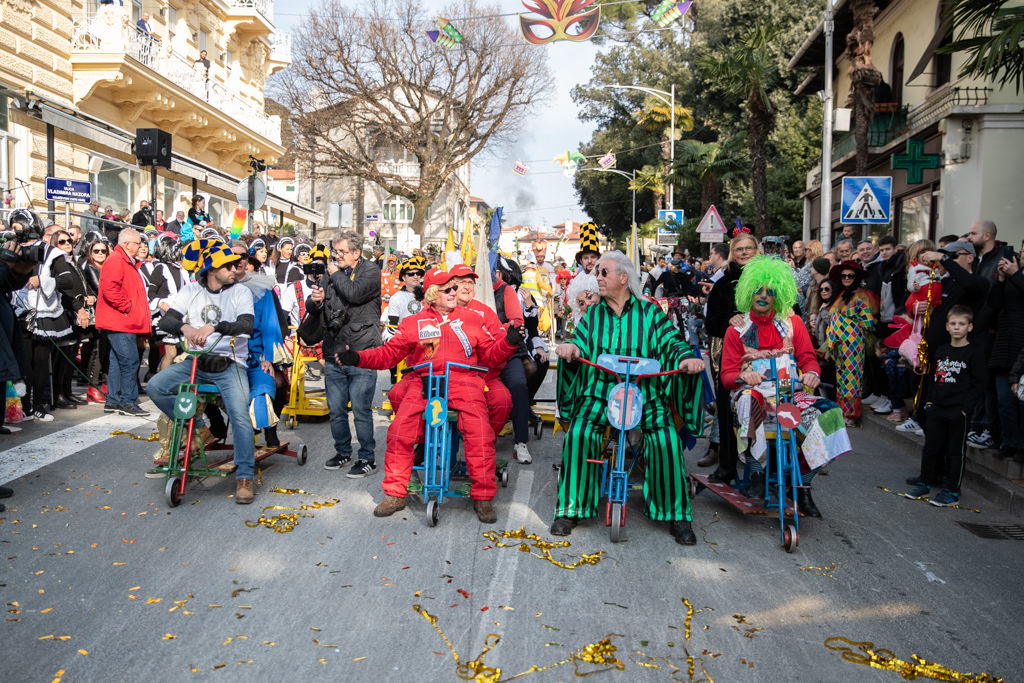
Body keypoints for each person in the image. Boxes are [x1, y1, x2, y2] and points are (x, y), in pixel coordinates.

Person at [339, 267, 522, 522]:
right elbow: (387, 355)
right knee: (399, 431)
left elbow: (492, 354)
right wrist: (356, 357)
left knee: (480, 435)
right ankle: (395, 493)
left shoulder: (472, 318)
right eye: (448, 289)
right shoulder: (413, 323)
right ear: (433, 295)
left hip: (464, 381)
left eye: (455, 288)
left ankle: (482, 497)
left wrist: (509, 342)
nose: (454, 293)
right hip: (425, 382)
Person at [552, 251, 705, 545]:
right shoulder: (593, 314)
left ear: (623, 278)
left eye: (603, 272)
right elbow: (579, 341)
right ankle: (571, 508)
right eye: (597, 272)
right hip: (600, 393)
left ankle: (676, 514)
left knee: (666, 440)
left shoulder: (650, 312)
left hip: (644, 395)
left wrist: (688, 359)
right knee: (580, 434)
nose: (597, 277)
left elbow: (673, 343)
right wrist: (570, 348)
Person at [720, 255, 850, 517]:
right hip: (753, 398)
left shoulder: (794, 324)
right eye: (758, 289)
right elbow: (726, 376)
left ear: (779, 295)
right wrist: (743, 377)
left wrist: (812, 374)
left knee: (830, 413)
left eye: (771, 291)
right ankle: (756, 472)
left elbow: (809, 359)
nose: (764, 296)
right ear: (749, 291)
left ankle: (802, 484)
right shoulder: (736, 330)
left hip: (790, 398)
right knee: (748, 399)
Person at [146, 240, 256, 503]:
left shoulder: (241, 292)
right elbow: (169, 319)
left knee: (240, 416)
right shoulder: (191, 289)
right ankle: (196, 428)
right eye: (226, 265)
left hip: (230, 364)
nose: (234, 267)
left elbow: (247, 325)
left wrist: (214, 326)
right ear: (210, 269)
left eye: (234, 263)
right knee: (155, 386)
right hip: (196, 361)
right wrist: (186, 329)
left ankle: (245, 476)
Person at [307, 231, 382, 477]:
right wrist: (315, 300)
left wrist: (334, 273)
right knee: (336, 409)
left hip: (362, 352)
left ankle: (367, 457)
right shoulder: (331, 274)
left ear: (356, 253)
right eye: (335, 251)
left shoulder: (370, 271)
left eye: (341, 252)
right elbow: (314, 304)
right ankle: (343, 452)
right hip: (333, 350)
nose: (336, 256)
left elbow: (353, 293)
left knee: (360, 409)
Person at [904, 305, 984, 507]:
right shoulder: (941, 351)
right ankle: (925, 482)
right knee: (931, 448)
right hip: (937, 408)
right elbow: (932, 379)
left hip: (958, 410)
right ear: (947, 327)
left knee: (955, 452)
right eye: (953, 324)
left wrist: (966, 408)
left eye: (962, 324)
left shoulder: (974, 353)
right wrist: (929, 402)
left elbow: (978, 384)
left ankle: (952, 490)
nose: (957, 328)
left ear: (970, 327)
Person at [704, 230, 760, 482]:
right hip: (730, 357)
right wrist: (728, 319)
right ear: (732, 254)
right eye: (739, 249)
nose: (745, 253)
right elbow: (711, 322)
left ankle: (761, 471)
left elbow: (790, 312)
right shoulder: (723, 283)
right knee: (727, 410)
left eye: (749, 248)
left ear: (757, 251)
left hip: (766, 356)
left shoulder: (771, 279)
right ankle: (726, 466)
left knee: (764, 412)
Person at [95, 228, 152, 417]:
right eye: (137, 243)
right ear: (127, 244)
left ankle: (113, 400)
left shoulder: (123, 260)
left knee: (119, 361)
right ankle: (128, 401)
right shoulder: (117, 260)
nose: (140, 246)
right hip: (121, 321)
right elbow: (110, 289)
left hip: (123, 321)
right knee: (129, 361)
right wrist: (127, 307)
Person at [825, 260, 878, 425]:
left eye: (850, 276)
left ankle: (851, 414)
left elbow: (868, 323)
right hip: (838, 344)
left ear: (856, 277)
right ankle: (842, 411)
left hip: (852, 344)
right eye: (844, 276)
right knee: (841, 379)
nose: (847, 278)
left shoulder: (861, 296)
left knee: (852, 379)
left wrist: (851, 329)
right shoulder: (841, 295)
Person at [79, 234, 109, 403]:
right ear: (90, 252)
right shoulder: (90, 268)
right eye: (96, 250)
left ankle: (104, 384)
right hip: (96, 314)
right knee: (97, 350)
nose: (100, 253)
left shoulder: (108, 267)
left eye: (103, 251)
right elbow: (101, 288)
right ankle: (93, 387)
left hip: (108, 313)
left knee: (106, 350)